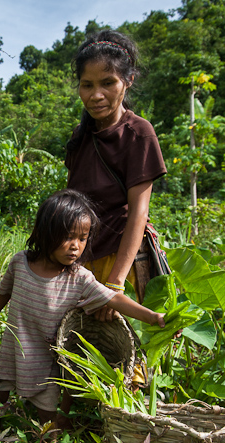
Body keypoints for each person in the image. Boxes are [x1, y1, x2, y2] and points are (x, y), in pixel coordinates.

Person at [0, 190, 165, 427]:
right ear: (46, 233)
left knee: (45, 413)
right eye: (68, 237)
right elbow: (5, 291)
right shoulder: (20, 263)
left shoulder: (79, 278)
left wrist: (152, 316)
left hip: (45, 357)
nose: (76, 246)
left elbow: (113, 299)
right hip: (15, 343)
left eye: (83, 239)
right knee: (0, 389)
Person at [65, 30, 167, 318]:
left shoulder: (138, 133)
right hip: (81, 259)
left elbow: (138, 212)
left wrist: (116, 284)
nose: (96, 95)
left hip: (122, 261)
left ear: (128, 81)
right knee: (79, 350)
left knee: (123, 354)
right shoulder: (81, 136)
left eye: (108, 83)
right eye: (87, 85)